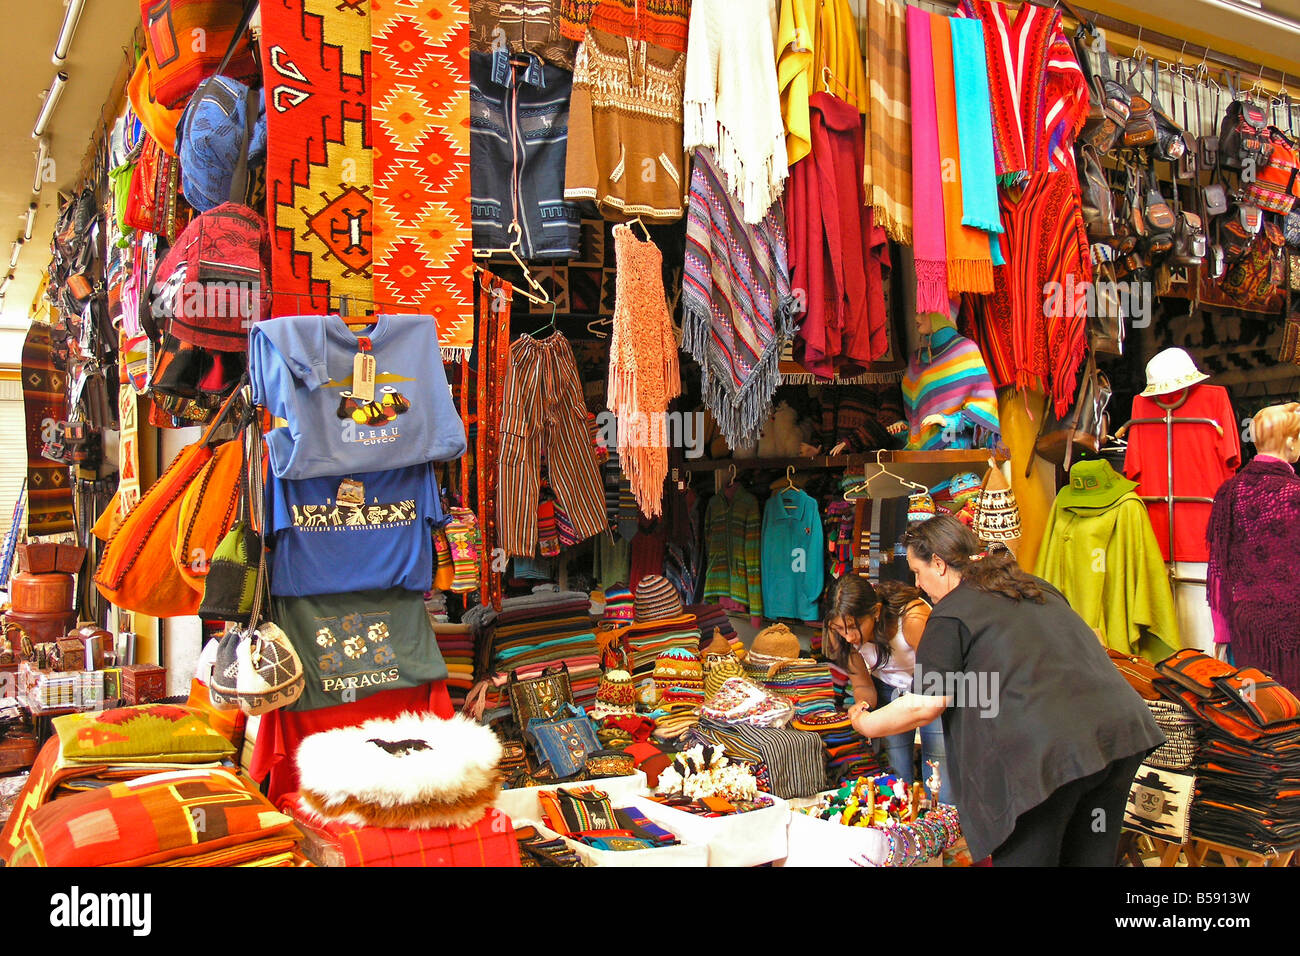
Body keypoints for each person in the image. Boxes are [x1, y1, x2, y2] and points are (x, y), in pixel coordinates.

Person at [850, 514, 1164, 866]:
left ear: (938, 563)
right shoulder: (1033, 586)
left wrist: (867, 724)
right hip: (1118, 735)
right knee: (1089, 856)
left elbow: (925, 705)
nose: (918, 585)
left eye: (917, 572)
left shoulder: (950, 615)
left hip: (1052, 752)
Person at [823, 575, 951, 802]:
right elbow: (863, 685)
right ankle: (902, 824)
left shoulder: (913, 619)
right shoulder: (841, 635)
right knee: (895, 767)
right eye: (840, 628)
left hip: (930, 688)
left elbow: (938, 677)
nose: (849, 636)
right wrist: (861, 706)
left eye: (853, 626)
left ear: (876, 611)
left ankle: (942, 822)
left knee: (937, 762)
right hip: (888, 690)